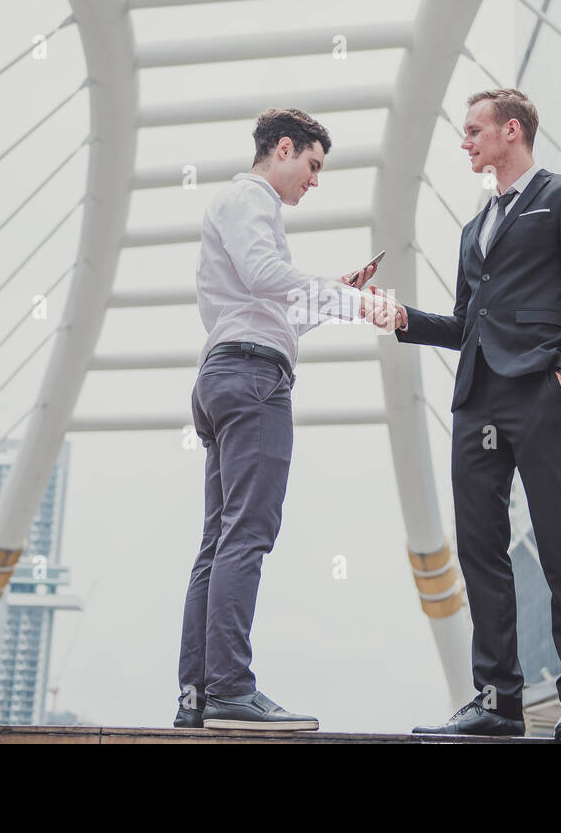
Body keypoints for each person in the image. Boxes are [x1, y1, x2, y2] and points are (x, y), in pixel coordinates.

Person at [368, 88, 561, 741]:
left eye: (474, 129)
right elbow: (462, 323)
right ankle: (498, 698)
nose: (465, 140)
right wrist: (401, 318)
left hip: (539, 391)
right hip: (476, 394)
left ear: (513, 130)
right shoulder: (473, 226)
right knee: (480, 546)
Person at [175, 107, 390, 731]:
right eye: (313, 166)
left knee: (218, 542)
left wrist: (335, 292)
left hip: (223, 374)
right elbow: (268, 276)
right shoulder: (253, 200)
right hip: (254, 382)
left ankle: (198, 695)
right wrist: (352, 300)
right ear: (285, 148)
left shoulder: (239, 210)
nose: (314, 181)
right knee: (248, 535)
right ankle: (232, 691)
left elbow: (274, 310)